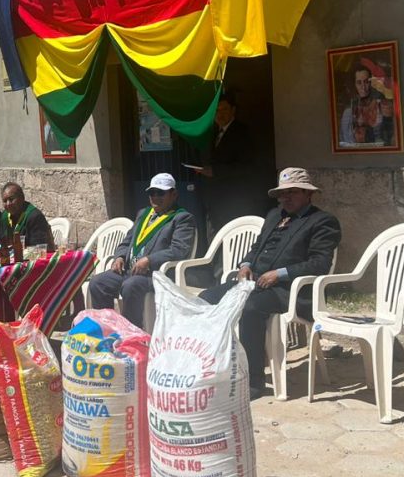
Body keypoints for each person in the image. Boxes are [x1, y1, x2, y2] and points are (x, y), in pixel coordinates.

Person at [199, 167, 341, 400]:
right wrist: (245, 264)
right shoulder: (275, 215)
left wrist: (281, 274)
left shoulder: (322, 221)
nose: (286, 197)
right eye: (282, 193)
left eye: (293, 192)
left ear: (308, 193)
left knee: (250, 308)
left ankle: (254, 381)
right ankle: (214, 367)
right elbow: (256, 248)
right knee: (206, 298)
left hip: (291, 291)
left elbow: (320, 264)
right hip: (255, 284)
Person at [87, 173, 196, 326]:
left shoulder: (182, 218)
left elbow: (179, 250)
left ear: (174, 194)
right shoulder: (143, 214)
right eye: (152, 193)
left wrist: (149, 260)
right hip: (130, 270)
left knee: (131, 286)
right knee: (98, 282)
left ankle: (131, 334)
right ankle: (107, 329)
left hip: (156, 275)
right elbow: (126, 242)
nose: (155, 197)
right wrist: (119, 257)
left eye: (161, 193)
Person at [196, 91, 258, 235]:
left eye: (223, 110)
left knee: (234, 241)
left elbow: (247, 166)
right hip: (213, 201)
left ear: (233, 110)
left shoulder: (242, 133)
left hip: (234, 200)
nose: (220, 114)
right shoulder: (212, 133)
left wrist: (215, 171)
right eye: (216, 111)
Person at [340, 63, 394, 146]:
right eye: (359, 83)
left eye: (366, 82)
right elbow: (346, 141)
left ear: (371, 82)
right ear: (354, 84)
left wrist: (388, 118)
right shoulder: (349, 111)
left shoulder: (381, 104)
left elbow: (388, 138)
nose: (363, 87)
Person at [0, 182, 54, 250]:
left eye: (11, 199)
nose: (8, 204)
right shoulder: (4, 216)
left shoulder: (35, 216)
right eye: (5, 201)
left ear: (22, 198)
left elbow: (39, 247)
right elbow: (1, 242)